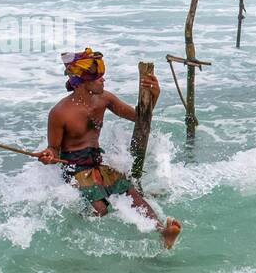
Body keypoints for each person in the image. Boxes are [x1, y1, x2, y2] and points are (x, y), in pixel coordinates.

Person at [36, 48, 181, 249]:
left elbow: (140, 118)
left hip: (97, 164)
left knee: (132, 194)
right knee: (100, 210)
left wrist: (154, 95)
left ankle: (162, 231)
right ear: (81, 82)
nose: (103, 81)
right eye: (98, 78)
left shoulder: (104, 99)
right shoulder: (60, 113)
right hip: (74, 169)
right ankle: (78, 240)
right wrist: (48, 155)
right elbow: (54, 149)